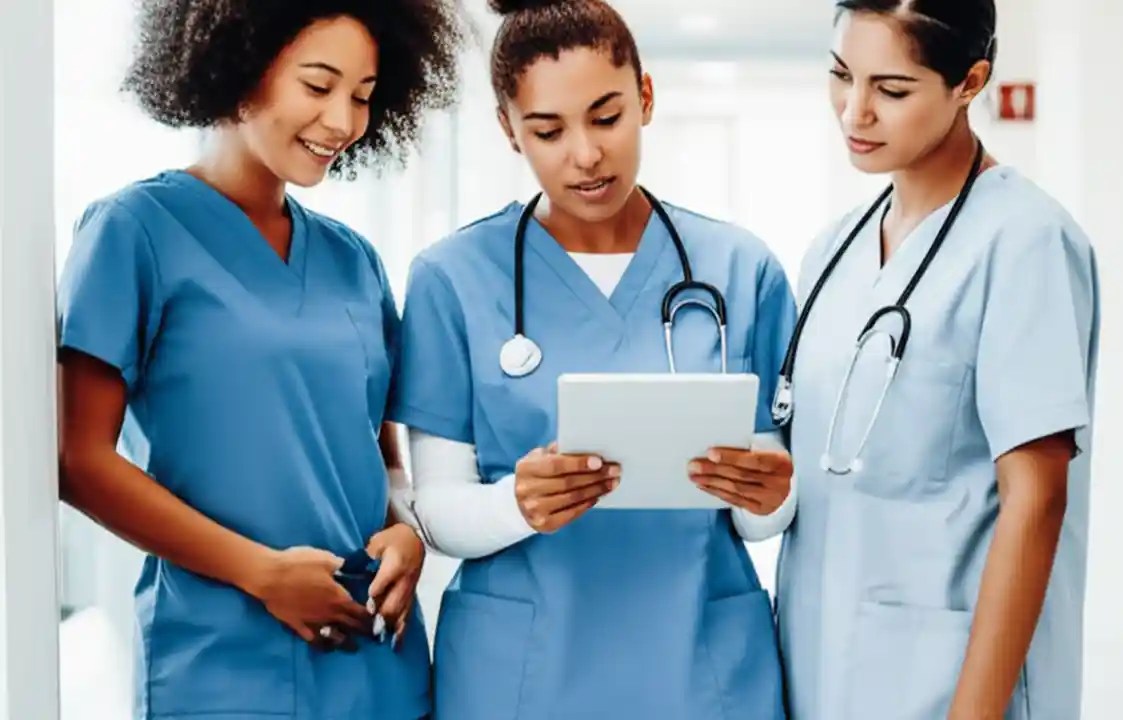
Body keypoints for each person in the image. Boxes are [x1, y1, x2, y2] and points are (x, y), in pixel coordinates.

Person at [387, 1, 797, 718]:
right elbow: (440, 509)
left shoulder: (740, 269)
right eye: (548, 131)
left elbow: (767, 507)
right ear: (509, 130)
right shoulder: (453, 278)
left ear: (646, 98)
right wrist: (518, 503)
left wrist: (769, 498)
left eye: (606, 118)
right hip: (524, 674)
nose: (585, 155)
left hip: (699, 666)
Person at [56, 1, 466, 718]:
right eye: (318, 85)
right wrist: (262, 573)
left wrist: (408, 531)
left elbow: (379, 456)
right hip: (223, 664)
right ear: (239, 67)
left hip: (377, 660)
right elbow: (77, 459)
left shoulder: (354, 260)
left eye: (363, 96)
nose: (342, 120)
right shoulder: (133, 232)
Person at [774, 1, 1100, 719]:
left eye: (891, 89)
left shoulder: (1023, 242)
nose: (855, 112)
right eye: (841, 75)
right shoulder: (831, 253)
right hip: (822, 671)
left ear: (969, 83)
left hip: (949, 684)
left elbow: (1037, 499)